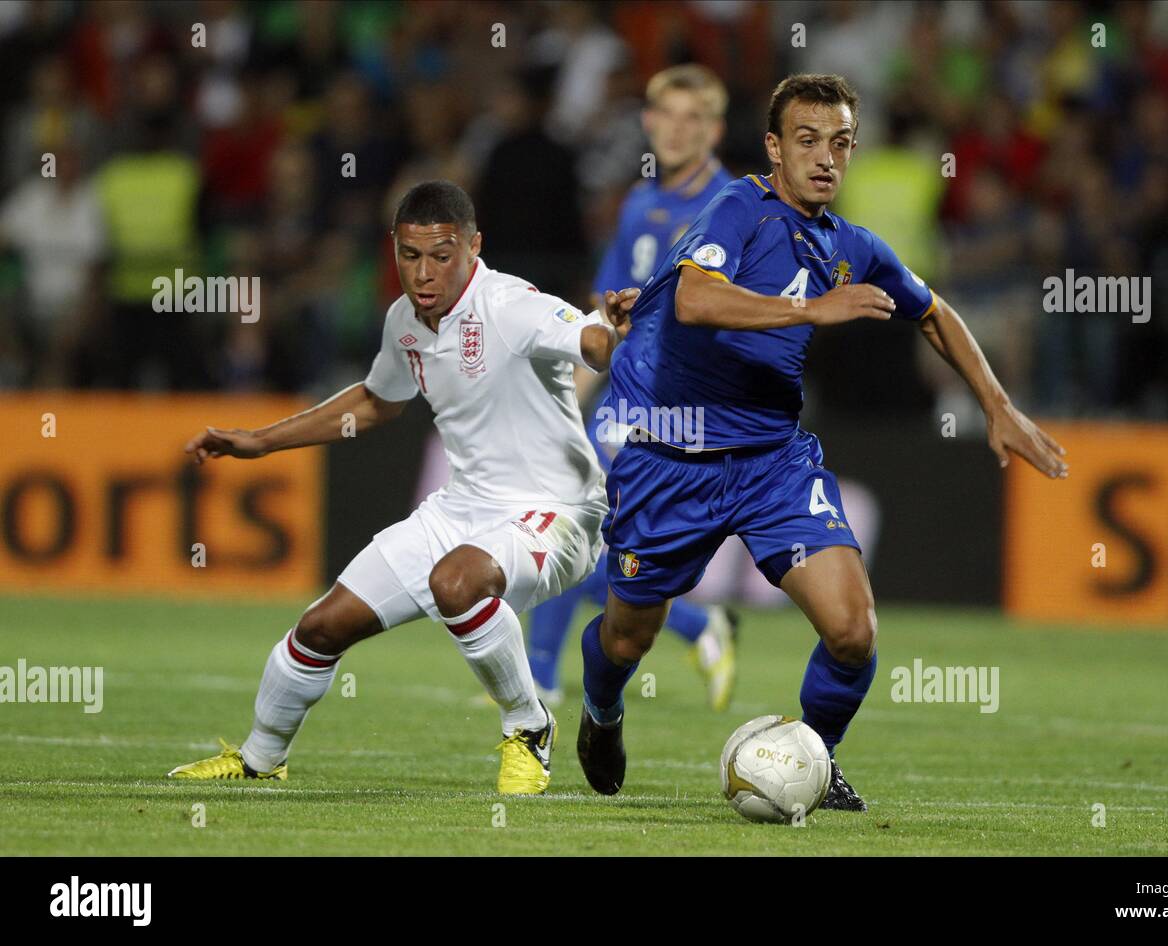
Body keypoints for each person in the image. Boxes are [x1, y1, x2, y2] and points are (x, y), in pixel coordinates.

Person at [576, 74, 1068, 810]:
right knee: (625, 640)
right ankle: (602, 710)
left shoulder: (851, 246)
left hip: (772, 462)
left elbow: (934, 311)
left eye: (840, 143)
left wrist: (999, 407)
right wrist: (811, 308)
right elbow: (695, 298)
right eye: (806, 140)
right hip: (670, 457)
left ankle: (815, 756)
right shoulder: (739, 207)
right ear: (775, 148)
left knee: (852, 631)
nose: (825, 157)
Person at [167, 180, 638, 795]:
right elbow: (375, 402)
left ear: (473, 246)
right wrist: (260, 441)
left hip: (557, 511)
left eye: (441, 255)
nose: (423, 272)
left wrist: (612, 327)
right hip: (460, 509)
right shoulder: (403, 322)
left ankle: (528, 726)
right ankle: (259, 759)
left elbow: (591, 345)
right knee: (320, 628)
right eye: (410, 255)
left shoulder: (510, 304)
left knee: (456, 583)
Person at [527, 63, 739, 711]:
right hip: (624, 398)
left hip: (685, 407)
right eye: (666, 115)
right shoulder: (640, 203)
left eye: (692, 118)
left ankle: (692, 626)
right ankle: (542, 677)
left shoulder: (731, 208)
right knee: (571, 527)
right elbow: (607, 316)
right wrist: (569, 397)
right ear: (647, 122)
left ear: (714, 130)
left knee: (584, 538)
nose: (676, 130)